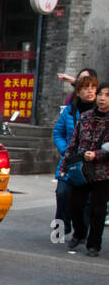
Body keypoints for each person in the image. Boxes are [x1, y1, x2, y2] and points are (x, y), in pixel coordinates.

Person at [61, 81, 109, 257]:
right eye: (101, 94)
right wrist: (65, 165)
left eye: (107, 95)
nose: (102, 98)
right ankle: (79, 233)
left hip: (103, 171)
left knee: (98, 210)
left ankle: (94, 244)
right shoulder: (86, 116)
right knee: (75, 205)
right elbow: (73, 142)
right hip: (80, 168)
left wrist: (97, 155)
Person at [54, 72, 97, 237]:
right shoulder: (70, 110)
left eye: (93, 88)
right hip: (69, 160)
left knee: (86, 200)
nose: (90, 91)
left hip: (91, 162)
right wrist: (65, 149)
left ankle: (81, 232)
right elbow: (57, 132)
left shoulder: (100, 113)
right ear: (78, 92)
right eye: (85, 88)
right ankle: (60, 228)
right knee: (62, 193)